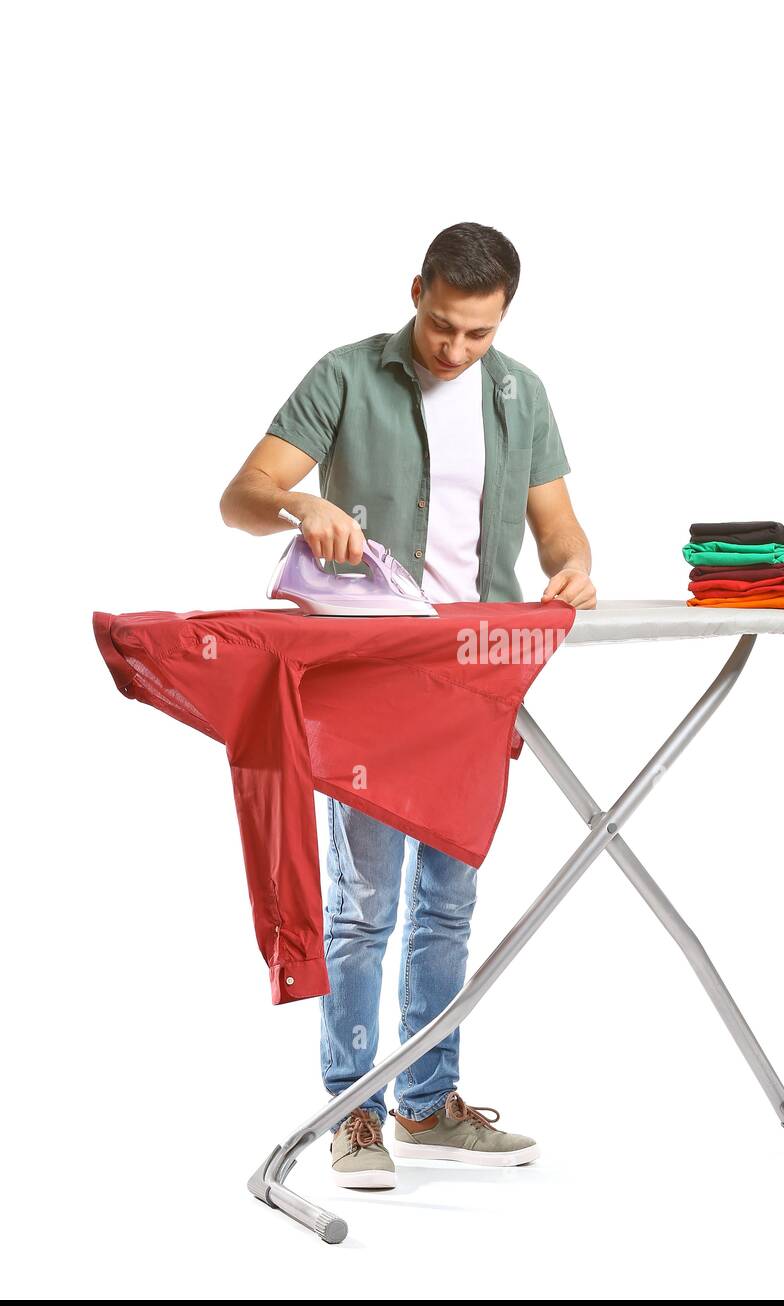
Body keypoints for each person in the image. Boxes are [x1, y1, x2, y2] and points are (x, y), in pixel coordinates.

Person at [219, 222, 595, 1189]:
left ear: (502, 317)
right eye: (441, 326)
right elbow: (242, 493)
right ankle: (354, 1112)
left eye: (477, 333)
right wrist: (303, 506)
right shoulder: (346, 375)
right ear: (417, 289)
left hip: (476, 675)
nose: (455, 350)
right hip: (373, 679)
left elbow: (558, 532)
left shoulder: (521, 395)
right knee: (364, 906)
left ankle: (428, 1104)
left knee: (448, 907)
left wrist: (572, 571)